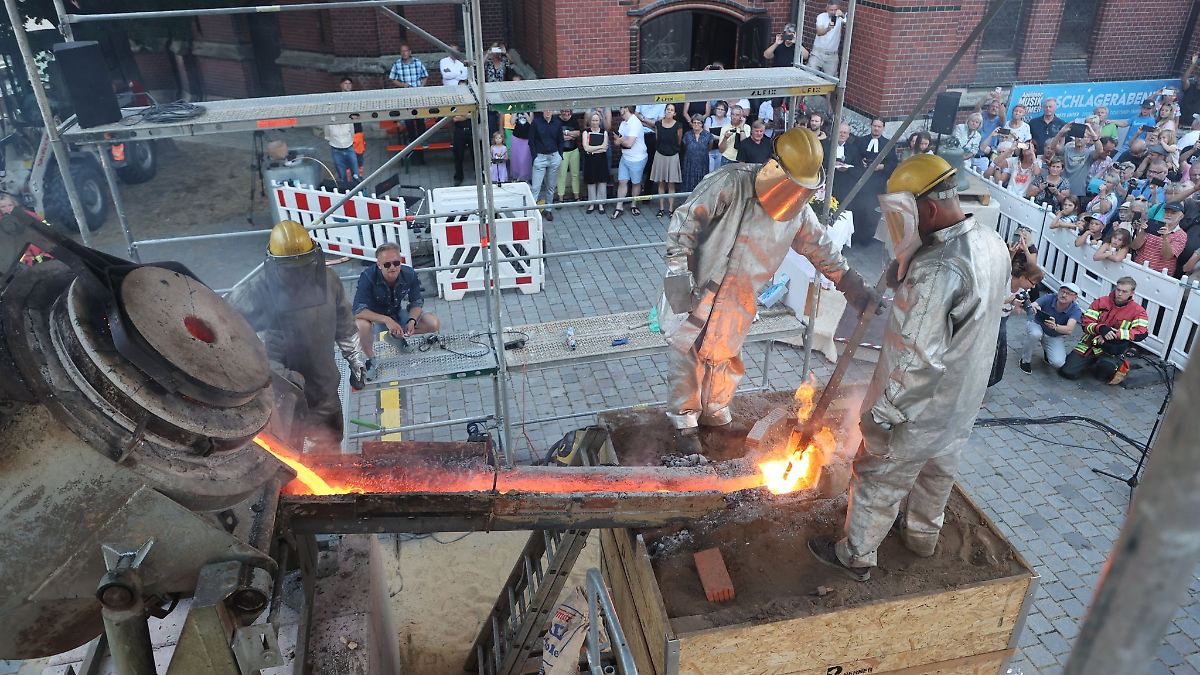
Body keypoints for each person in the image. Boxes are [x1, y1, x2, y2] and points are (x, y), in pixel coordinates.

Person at [806, 153, 1009, 580]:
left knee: (879, 475)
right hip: (963, 400)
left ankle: (856, 555)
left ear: (929, 209)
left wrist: (883, 417)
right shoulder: (990, 242)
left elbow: (916, 355)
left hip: (920, 406)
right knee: (938, 471)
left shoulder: (937, 271)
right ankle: (921, 537)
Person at [660, 127, 875, 453]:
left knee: (725, 356)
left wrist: (851, 284)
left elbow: (821, 248)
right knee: (689, 358)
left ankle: (715, 416)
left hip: (739, 298)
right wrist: (678, 278)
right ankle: (685, 426)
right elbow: (685, 223)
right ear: (775, 167)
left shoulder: (797, 213)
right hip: (699, 291)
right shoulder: (731, 183)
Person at [228, 220, 368, 447]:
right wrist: (267, 369)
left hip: (323, 381)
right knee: (288, 449)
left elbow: (344, 324)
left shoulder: (328, 280)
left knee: (328, 443)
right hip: (282, 386)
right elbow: (225, 326)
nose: (299, 274)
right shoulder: (260, 290)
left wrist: (355, 360)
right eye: (291, 270)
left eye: (303, 266)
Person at [353, 242, 441, 363]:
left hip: (396, 314)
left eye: (396, 263)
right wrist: (387, 320)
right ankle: (371, 360)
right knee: (361, 325)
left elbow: (417, 301)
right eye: (387, 264)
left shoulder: (409, 274)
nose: (392, 267)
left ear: (400, 261)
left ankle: (394, 337)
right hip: (375, 319)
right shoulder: (368, 276)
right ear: (379, 265)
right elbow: (358, 310)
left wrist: (412, 320)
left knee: (433, 323)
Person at [1059, 278, 1148, 384]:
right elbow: (1085, 323)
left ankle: (1109, 365)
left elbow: (1141, 333)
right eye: (1118, 289)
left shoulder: (1138, 311)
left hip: (1111, 349)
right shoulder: (1100, 302)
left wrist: (1116, 334)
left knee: (1104, 375)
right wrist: (1101, 328)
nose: (1119, 293)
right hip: (1090, 344)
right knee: (1067, 372)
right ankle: (1089, 362)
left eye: (1124, 291)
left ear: (1132, 293)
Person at [991, 237, 1044, 387]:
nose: (1033, 287)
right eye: (1032, 283)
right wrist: (1011, 301)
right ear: (1022, 277)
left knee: (999, 356)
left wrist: (1029, 307)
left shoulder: (1022, 289)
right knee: (990, 356)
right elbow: (992, 299)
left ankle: (985, 387)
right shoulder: (1005, 279)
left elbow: (1020, 310)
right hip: (990, 321)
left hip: (1002, 322)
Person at [852, 118, 897, 245]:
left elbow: (893, 163)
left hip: (877, 183)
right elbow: (854, 156)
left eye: (879, 126)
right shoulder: (860, 141)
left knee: (872, 211)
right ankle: (854, 235)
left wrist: (881, 167)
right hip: (861, 180)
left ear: (883, 128)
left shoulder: (888, 144)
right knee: (858, 208)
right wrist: (861, 163)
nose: (876, 128)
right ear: (870, 126)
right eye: (874, 126)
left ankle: (866, 238)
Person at [1020, 283, 1082, 374]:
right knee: (1035, 334)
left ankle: (1047, 350)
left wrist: (1055, 326)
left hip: (1054, 335)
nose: (1064, 295)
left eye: (1068, 293)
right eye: (1062, 291)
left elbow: (1069, 329)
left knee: (1059, 363)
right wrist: (1034, 307)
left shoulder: (1076, 310)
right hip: (1037, 325)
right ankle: (1025, 360)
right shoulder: (1049, 297)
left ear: (1075, 297)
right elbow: (1033, 304)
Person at [387, 44, 429, 165]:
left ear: (410, 52)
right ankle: (414, 155)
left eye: (406, 51)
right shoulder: (397, 64)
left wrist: (421, 87)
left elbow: (425, 76)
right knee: (409, 125)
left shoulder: (417, 62)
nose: (404, 53)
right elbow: (392, 78)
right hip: (406, 98)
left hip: (417, 96)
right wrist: (403, 85)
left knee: (420, 123)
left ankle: (422, 156)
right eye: (402, 51)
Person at [1132, 201, 1188, 276]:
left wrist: (1165, 239)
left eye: (1173, 213)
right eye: (1166, 212)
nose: (1168, 215)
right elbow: (1134, 246)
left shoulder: (1181, 235)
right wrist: (1143, 231)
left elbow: (1167, 256)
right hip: (1139, 267)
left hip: (1159, 275)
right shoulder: (1152, 225)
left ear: (1181, 216)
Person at [611, 106, 648, 219]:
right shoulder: (623, 123)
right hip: (625, 157)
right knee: (622, 181)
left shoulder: (634, 123)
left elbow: (629, 143)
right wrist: (621, 140)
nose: (619, 109)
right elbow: (617, 141)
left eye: (621, 107)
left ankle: (634, 205)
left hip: (637, 158)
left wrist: (621, 140)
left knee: (636, 183)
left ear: (626, 109)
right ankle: (619, 207)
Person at [530, 110, 565, 221]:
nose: (548, 112)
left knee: (551, 186)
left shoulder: (557, 123)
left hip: (554, 156)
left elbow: (561, 140)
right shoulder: (536, 122)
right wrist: (535, 157)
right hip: (540, 157)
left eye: (550, 110)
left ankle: (548, 210)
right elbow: (531, 141)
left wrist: (559, 155)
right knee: (536, 187)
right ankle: (533, 212)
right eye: (546, 110)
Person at [650, 104, 684, 217]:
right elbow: (657, 138)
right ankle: (661, 208)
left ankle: (670, 209)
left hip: (673, 156)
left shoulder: (678, 125)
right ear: (665, 111)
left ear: (675, 113)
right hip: (660, 155)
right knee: (661, 182)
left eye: (671, 110)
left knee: (671, 184)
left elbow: (679, 141)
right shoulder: (658, 124)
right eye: (667, 109)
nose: (669, 111)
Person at [582, 110, 610, 213]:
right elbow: (585, 148)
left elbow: (605, 148)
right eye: (593, 120)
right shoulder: (586, 132)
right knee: (591, 182)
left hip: (601, 160)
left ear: (600, 121)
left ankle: (601, 204)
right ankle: (591, 204)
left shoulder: (604, 132)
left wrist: (592, 148)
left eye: (596, 120)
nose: (595, 122)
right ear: (590, 121)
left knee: (602, 182)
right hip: (590, 160)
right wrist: (599, 147)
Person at [808, 2, 845, 77]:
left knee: (831, 80)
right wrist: (828, 28)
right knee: (810, 75)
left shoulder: (840, 18)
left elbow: (849, 26)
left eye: (835, 10)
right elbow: (819, 32)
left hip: (832, 55)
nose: (833, 12)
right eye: (831, 10)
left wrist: (843, 16)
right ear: (827, 9)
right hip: (818, 53)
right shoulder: (821, 17)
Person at [681, 114, 714, 194]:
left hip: (702, 164)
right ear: (691, 123)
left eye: (698, 123)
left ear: (702, 124)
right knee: (688, 186)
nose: (696, 124)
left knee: (701, 187)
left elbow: (709, 148)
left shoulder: (708, 135)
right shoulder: (687, 135)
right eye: (694, 122)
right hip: (689, 164)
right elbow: (684, 147)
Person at [555, 110, 583, 202]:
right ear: (561, 111)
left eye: (568, 112)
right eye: (564, 111)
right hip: (562, 152)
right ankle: (560, 198)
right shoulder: (556, 121)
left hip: (574, 151)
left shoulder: (574, 120)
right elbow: (556, 136)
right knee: (561, 175)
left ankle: (576, 196)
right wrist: (571, 135)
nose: (566, 114)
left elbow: (578, 133)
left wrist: (565, 133)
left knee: (575, 174)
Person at [704, 102, 730, 172]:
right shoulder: (709, 119)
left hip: (722, 151)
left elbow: (729, 134)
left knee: (719, 172)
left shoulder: (728, 120)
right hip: (710, 151)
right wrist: (722, 137)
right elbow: (707, 134)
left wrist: (715, 137)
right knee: (710, 172)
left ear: (725, 111)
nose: (720, 111)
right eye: (718, 109)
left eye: (722, 109)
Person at [508, 111, 533, 181]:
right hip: (516, 137)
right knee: (517, 158)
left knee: (525, 159)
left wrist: (525, 113)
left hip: (527, 138)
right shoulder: (516, 110)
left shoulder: (530, 111)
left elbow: (531, 122)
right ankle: (517, 176)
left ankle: (525, 177)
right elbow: (512, 122)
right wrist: (515, 112)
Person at [450, 112, 473, 186]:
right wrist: (468, 116)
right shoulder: (457, 104)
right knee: (458, 155)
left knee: (476, 154)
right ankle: (458, 177)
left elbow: (477, 117)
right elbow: (455, 118)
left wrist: (462, 115)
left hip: (472, 131)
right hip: (459, 131)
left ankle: (481, 175)